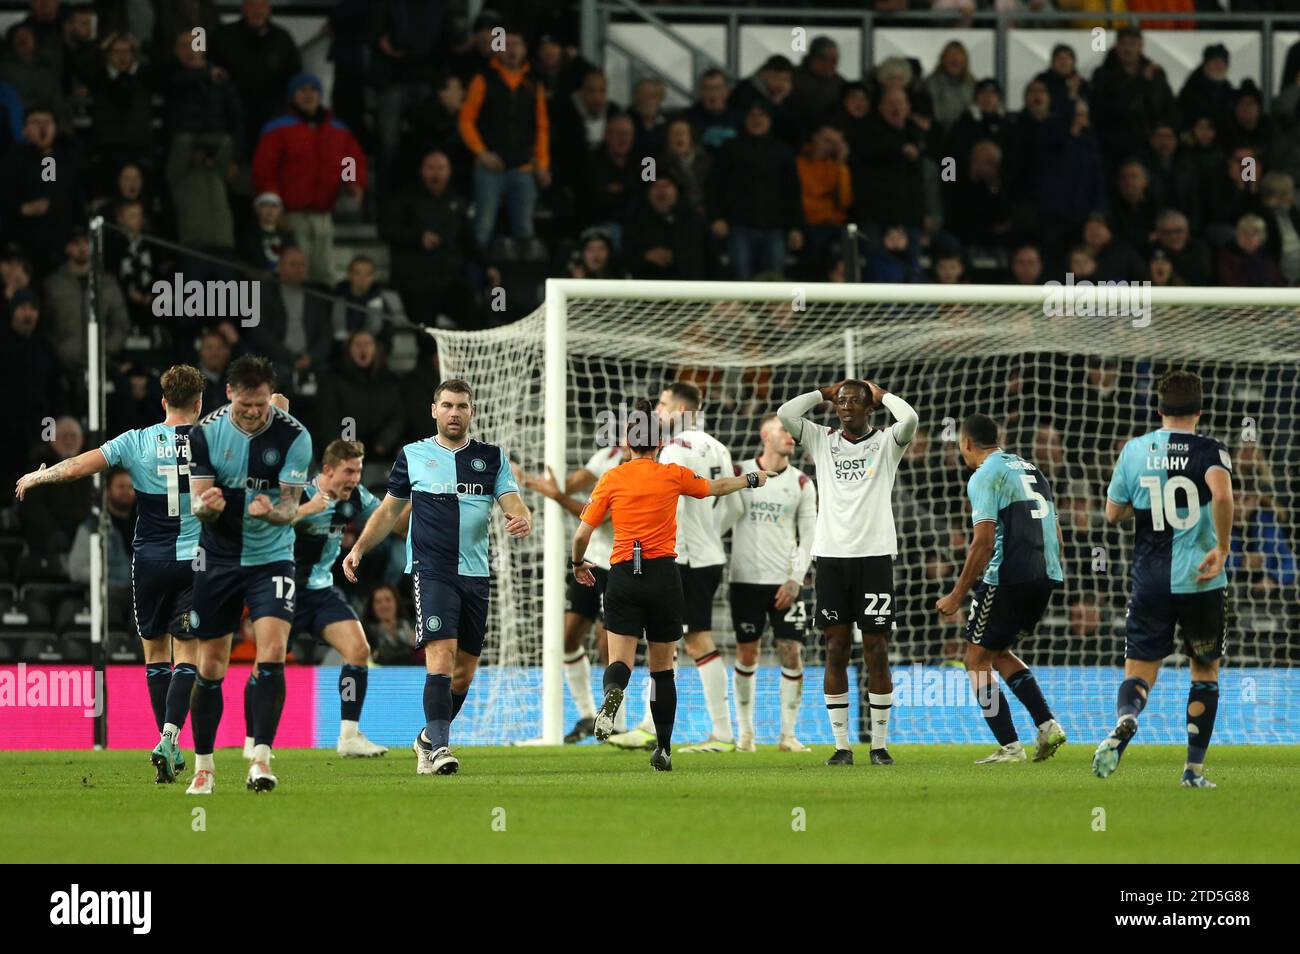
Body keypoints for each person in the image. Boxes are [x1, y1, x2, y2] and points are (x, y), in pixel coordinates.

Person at [15, 365, 208, 784]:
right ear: (198, 403)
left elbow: (79, 466)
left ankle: (165, 742)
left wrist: (38, 475)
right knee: (187, 654)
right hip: (196, 561)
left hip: (150, 562)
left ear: (162, 402)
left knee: (156, 655)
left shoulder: (135, 441)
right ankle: (172, 737)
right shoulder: (212, 440)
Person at [573, 397, 775, 772]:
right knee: (662, 669)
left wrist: (576, 563)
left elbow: (582, 534)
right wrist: (751, 478)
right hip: (665, 575)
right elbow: (716, 488)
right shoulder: (671, 475)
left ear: (628, 442)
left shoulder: (612, 478)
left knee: (619, 659)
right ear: (659, 444)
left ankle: (613, 692)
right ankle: (663, 748)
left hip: (622, 576)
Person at [343, 379, 531, 777]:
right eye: (447, 405)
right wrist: (359, 547)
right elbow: (390, 512)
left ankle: (427, 738)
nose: (454, 412)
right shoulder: (413, 455)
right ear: (434, 410)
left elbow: (512, 502)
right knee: (440, 656)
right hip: (432, 572)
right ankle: (441, 749)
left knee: (463, 673)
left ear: (471, 412)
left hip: (476, 574)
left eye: (461, 406)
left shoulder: (492, 458)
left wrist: (522, 516)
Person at [1093, 370, 1233, 789]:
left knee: (1139, 670)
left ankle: (1127, 718)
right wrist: (1222, 549)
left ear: (1159, 409)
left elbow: (1112, 514)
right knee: (1204, 672)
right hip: (1201, 580)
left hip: (1150, 579)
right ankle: (1192, 771)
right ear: (1200, 411)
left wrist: (1148, 504)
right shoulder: (1211, 450)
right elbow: (1223, 496)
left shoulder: (1134, 450)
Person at [185, 356, 312, 795]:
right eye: (246, 405)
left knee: (273, 651)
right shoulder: (205, 433)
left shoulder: (295, 435)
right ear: (229, 394)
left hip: (271, 557)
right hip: (217, 559)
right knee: (212, 665)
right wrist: (208, 507)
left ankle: (260, 758)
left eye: (261, 405)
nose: (254, 413)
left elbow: (293, 506)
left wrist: (274, 513)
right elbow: (198, 502)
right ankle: (204, 767)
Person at [777, 379, 919, 766]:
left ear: (870, 407)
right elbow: (785, 413)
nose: (846, 407)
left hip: (874, 558)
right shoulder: (822, 439)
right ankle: (842, 745)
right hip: (831, 559)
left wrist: (883, 393)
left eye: (855, 401)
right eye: (841, 402)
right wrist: (823, 392)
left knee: (877, 650)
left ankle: (879, 744)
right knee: (835, 648)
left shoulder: (887, 442)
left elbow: (911, 417)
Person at [607, 382, 741, 753]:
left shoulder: (672, 451)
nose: (658, 411)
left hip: (680, 557)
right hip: (707, 554)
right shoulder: (719, 446)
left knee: (692, 639)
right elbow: (732, 504)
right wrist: (712, 535)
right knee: (673, 642)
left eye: (663, 404)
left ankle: (722, 734)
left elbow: (664, 504)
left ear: (681, 409)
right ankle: (652, 726)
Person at [934, 413, 1068, 764]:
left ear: (966, 443)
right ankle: (1047, 725)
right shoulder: (1030, 469)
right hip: (1046, 574)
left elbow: (983, 541)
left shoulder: (984, 475)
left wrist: (957, 595)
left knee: (975, 659)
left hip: (1009, 576)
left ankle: (1010, 746)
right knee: (998, 651)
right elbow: (1056, 532)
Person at [279, 439, 403, 758]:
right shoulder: (300, 493)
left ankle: (348, 737)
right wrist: (305, 511)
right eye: (348, 471)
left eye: (359, 471)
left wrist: (413, 493)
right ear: (328, 470)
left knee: (358, 649)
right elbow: (266, 526)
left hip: (321, 591)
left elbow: (394, 521)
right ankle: (255, 742)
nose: (354, 479)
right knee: (266, 663)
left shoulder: (357, 496)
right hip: (283, 589)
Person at [522, 445, 629, 743]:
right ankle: (586, 713)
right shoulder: (607, 457)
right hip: (590, 562)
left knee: (608, 644)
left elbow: (595, 515)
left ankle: (617, 723)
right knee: (567, 639)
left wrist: (554, 495)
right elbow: (567, 485)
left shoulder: (636, 472)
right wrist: (529, 480)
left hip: (616, 565)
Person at [728, 414, 817, 753]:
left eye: (792, 432)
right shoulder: (739, 473)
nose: (791, 436)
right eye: (783, 430)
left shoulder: (802, 483)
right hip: (745, 580)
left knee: (792, 653)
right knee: (747, 653)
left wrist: (795, 579)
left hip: (786, 583)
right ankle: (745, 734)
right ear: (765, 435)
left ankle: (788, 735)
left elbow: (809, 536)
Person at [252, 73, 368, 284]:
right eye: (302, 90)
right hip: (291, 216)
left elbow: (349, 159)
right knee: (295, 273)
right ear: (292, 96)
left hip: (323, 215)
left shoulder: (337, 129)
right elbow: (265, 170)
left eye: (313, 90)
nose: (308, 95)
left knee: (324, 274)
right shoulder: (277, 128)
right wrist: (272, 205)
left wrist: (351, 183)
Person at [457, 29, 551, 250]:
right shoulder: (483, 80)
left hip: (524, 167)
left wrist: (543, 164)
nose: (512, 50)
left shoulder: (533, 84)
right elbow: (465, 121)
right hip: (490, 167)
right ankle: (480, 281)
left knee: (525, 231)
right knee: (483, 228)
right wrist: (481, 153)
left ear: (525, 50)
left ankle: (523, 281)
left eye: (516, 44)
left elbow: (542, 127)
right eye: (506, 44)